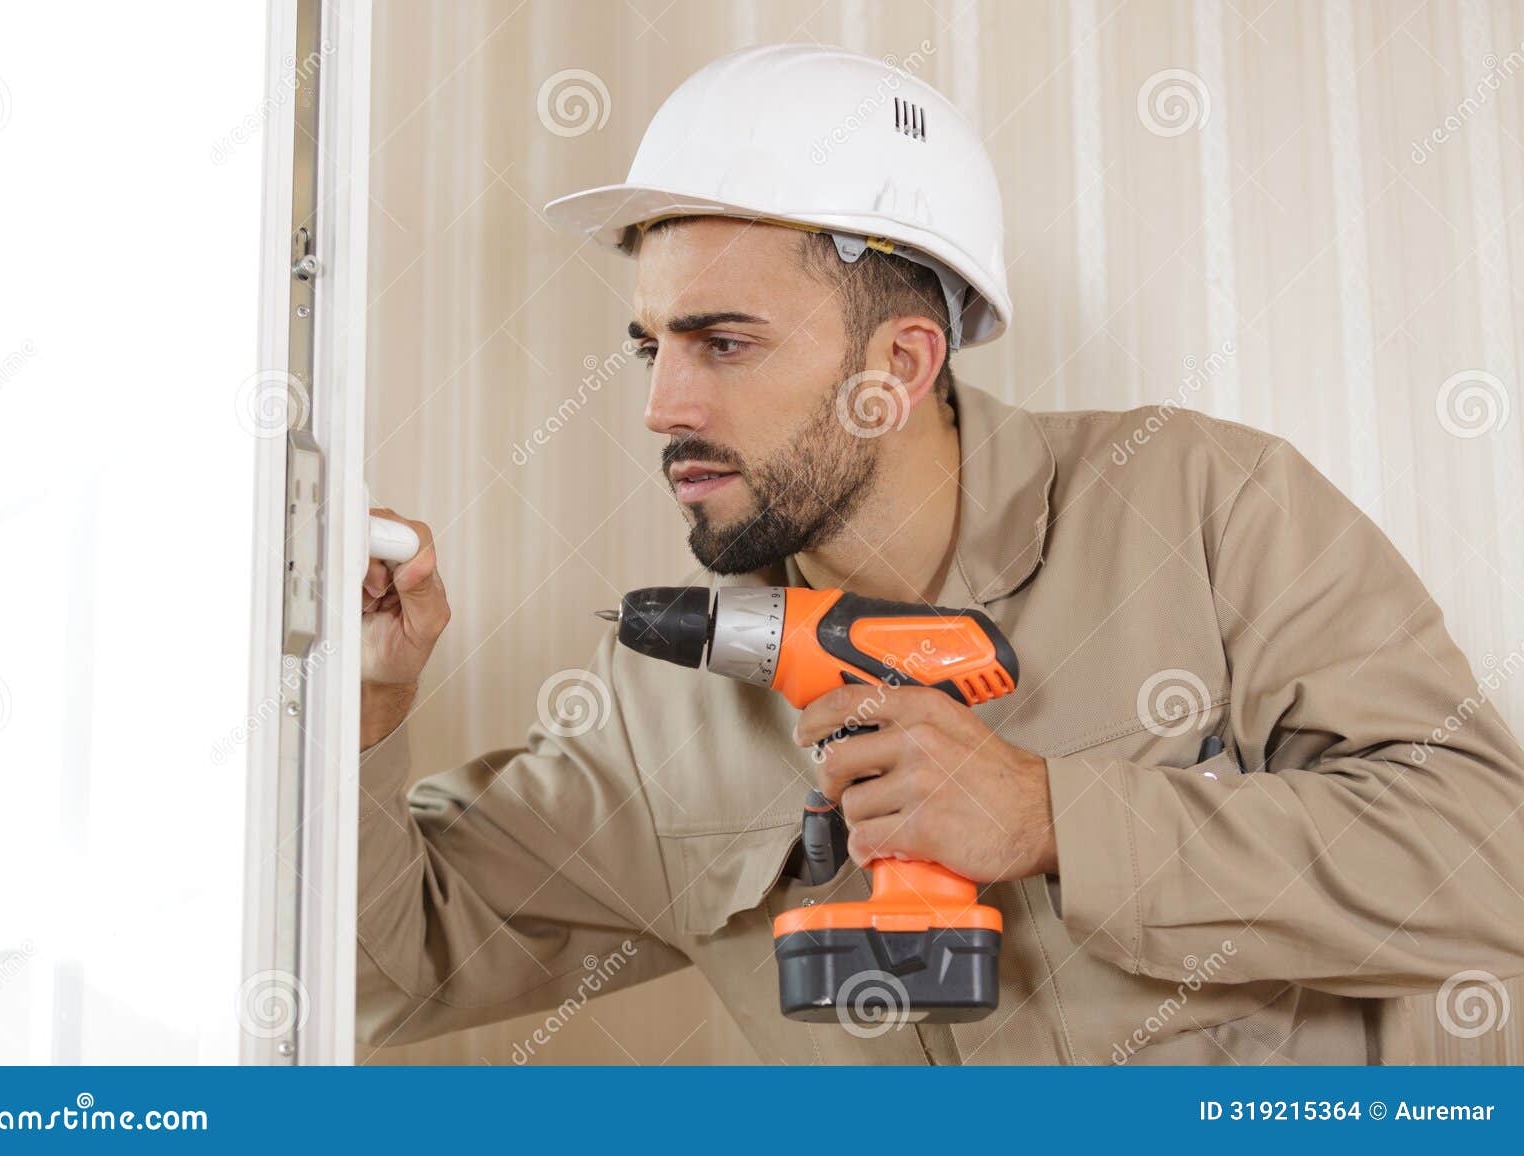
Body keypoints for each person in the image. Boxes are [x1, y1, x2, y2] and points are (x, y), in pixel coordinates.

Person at [355, 44, 1524, 1064]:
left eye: (721, 341)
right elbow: (380, 974)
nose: (660, 403)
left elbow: (1490, 868)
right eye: (649, 344)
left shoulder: (1204, 508)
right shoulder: (658, 705)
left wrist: (1054, 816)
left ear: (901, 367)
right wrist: (363, 706)